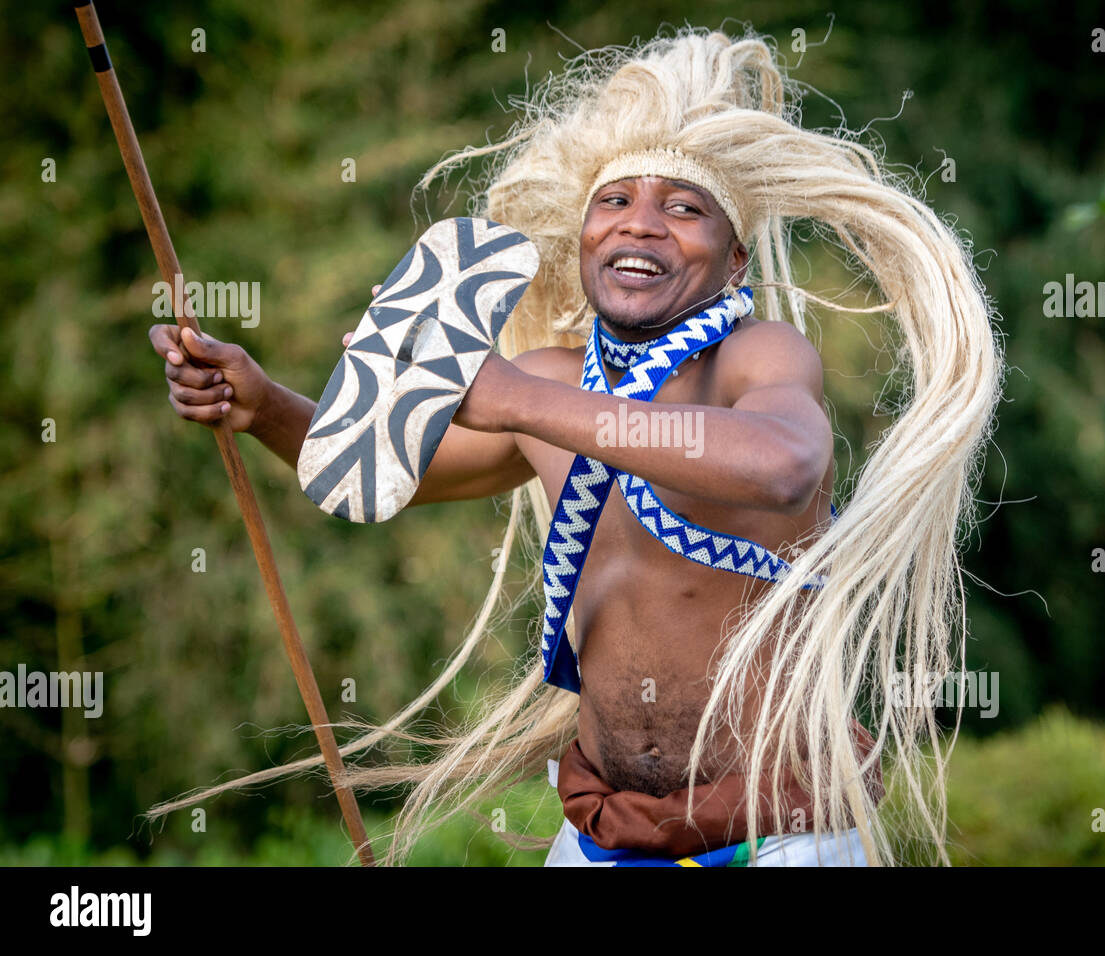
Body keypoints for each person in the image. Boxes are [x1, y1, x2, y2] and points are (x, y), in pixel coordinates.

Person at [147, 27, 1003, 867]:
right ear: (585, 236)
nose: (642, 225)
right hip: (603, 827)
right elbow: (391, 475)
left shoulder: (758, 359)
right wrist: (261, 407)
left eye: (684, 207)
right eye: (616, 201)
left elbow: (783, 466)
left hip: (778, 826)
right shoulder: (554, 378)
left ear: (735, 259)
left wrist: (518, 397)